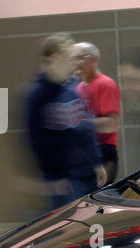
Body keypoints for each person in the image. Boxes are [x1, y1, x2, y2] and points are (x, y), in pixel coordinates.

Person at [25, 33, 104, 210]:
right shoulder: (38, 95)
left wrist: (96, 162)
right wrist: (54, 178)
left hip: (85, 173)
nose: (74, 61)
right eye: (69, 56)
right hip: (62, 179)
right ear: (53, 58)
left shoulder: (73, 88)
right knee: (66, 227)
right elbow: (36, 140)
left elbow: (86, 129)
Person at [73, 42, 122, 183]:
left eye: (80, 58)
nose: (76, 63)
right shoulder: (78, 88)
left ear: (94, 58)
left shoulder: (106, 84)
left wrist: (79, 124)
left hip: (102, 152)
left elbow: (112, 124)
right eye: (74, 59)